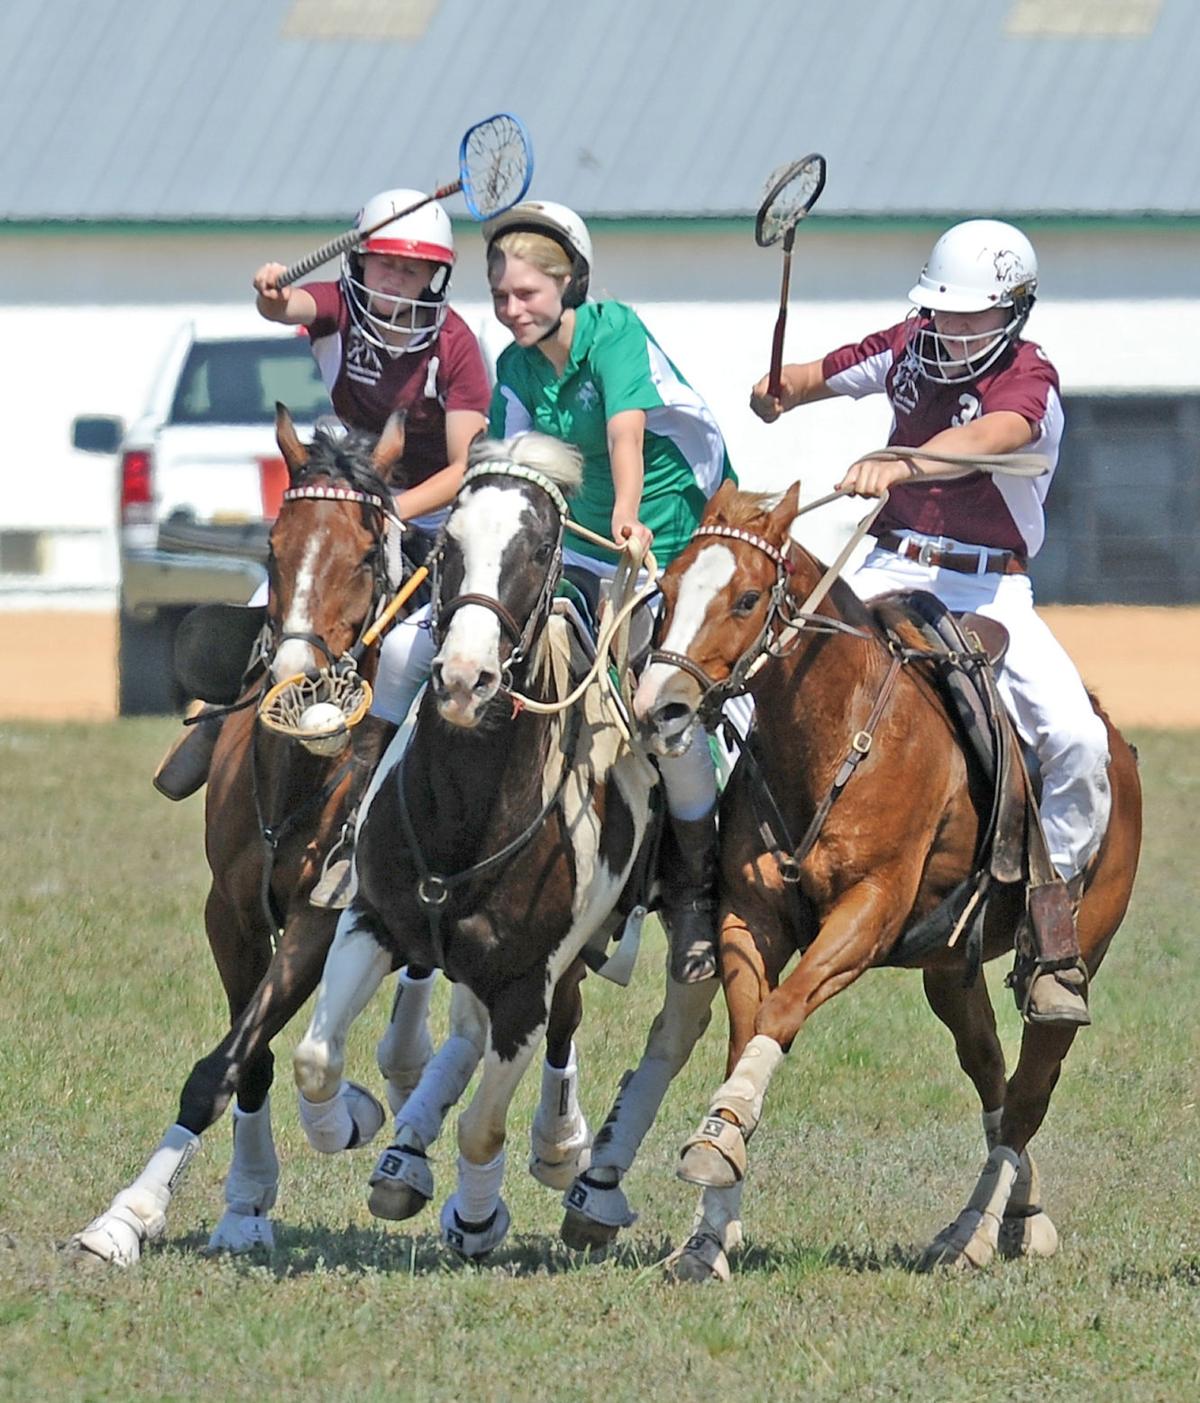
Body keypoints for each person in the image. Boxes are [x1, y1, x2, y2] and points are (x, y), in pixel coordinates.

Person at [749, 218, 1110, 1027]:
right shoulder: (911, 343)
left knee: (1080, 744)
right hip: (887, 563)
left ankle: (1051, 936)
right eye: (942, 310)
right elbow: (815, 375)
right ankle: (709, 867)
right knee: (754, 673)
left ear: (1014, 309)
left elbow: (994, 436)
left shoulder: (1032, 377)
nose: (950, 327)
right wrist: (775, 391)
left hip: (988, 588)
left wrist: (904, 459)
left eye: (971, 314)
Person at [154, 190, 490, 802]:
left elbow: (465, 466)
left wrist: (390, 513)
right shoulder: (338, 308)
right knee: (282, 598)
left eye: (412, 270)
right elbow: (284, 306)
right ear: (360, 263)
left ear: (433, 279)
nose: (397, 279)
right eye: (386, 264)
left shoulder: (457, 345)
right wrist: (270, 291)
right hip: (352, 492)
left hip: (437, 511)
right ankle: (213, 726)